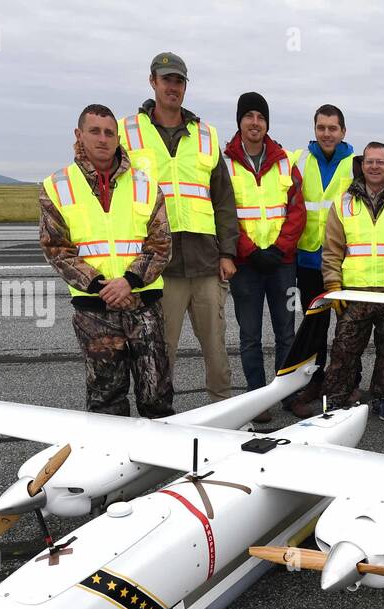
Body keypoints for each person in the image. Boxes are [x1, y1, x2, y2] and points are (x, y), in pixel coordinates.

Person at [39, 104, 172, 419]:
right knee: (106, 401)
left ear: (117, 137)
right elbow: (56, 248)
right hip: (95, 310)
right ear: (79, 135)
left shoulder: (146, 185)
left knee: (156, 397)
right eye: (94, 131)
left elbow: (161, 243)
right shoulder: (56, 187)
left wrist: (130, 281)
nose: (102, 139)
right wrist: (99, 285)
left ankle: (162, 463)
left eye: (109, 132)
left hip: (143, 305)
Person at [121, 53, 237, 406]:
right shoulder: (129, 133)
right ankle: (161, 416)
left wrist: (228, 252)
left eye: (179, 81)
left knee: (216, 348)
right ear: (153, 82)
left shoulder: (205, 135)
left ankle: (223, 410)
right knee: (162, 348)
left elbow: (223, 199)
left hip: (204, 260)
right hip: (159, 264)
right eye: (167, 79)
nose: (173, 87)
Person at [312, 142, 384, 419]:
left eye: (381, 162)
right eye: (370, 161)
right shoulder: (343, 203)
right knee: (343, 351)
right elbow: (331, 249)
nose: (375, 166)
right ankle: (335, 400)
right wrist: (333, 286)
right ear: (362, 165)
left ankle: (382, 398)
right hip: (355, 293)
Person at [224, 91, 305, 422]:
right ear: (240, 121)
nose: (255, 122)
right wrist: (249, 252)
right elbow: (225, 213)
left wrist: (279, 249)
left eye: (260, 117)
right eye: (249, 116)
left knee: (287, 331)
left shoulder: (285, 161)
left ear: (266, 123)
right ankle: (257, 399)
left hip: (282, 265)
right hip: (246, 266)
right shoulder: (224, 164)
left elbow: (297, 212)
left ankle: (289, 395)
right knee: (250, 335)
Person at [291, 105, 355, 407]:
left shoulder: (355, 164)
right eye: (321, 127)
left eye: (332, 128)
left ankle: (347, 384)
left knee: (348, 329)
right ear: (315, 129)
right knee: (314, 329)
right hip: (307, 260)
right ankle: (315, 383)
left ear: (343, 131)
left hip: (343, 261)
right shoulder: (300, 161)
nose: (326, 133)